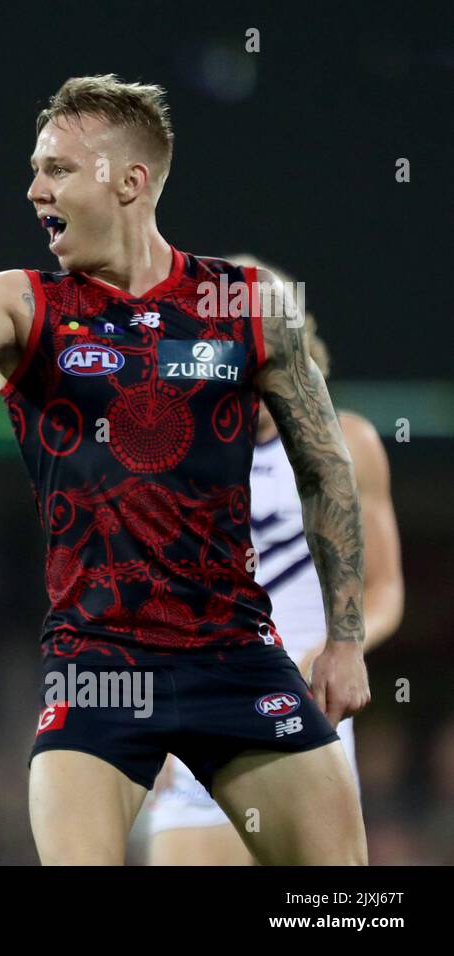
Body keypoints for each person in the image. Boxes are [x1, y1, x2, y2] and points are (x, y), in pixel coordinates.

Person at [0, 72, 368, 864]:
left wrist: (346, 640)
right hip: (99, 667)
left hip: (234, 656)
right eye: (34, 169)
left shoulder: (247, 304)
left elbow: (327, 468)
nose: (32, 190)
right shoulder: (27, 306)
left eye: (55, 169)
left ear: (129, 182)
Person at [144, 257, 404, 864]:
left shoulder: (348, 443)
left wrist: (340, 646)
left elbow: (385, 591)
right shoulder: (170, 457)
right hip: (199, 714)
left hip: (307, 711)